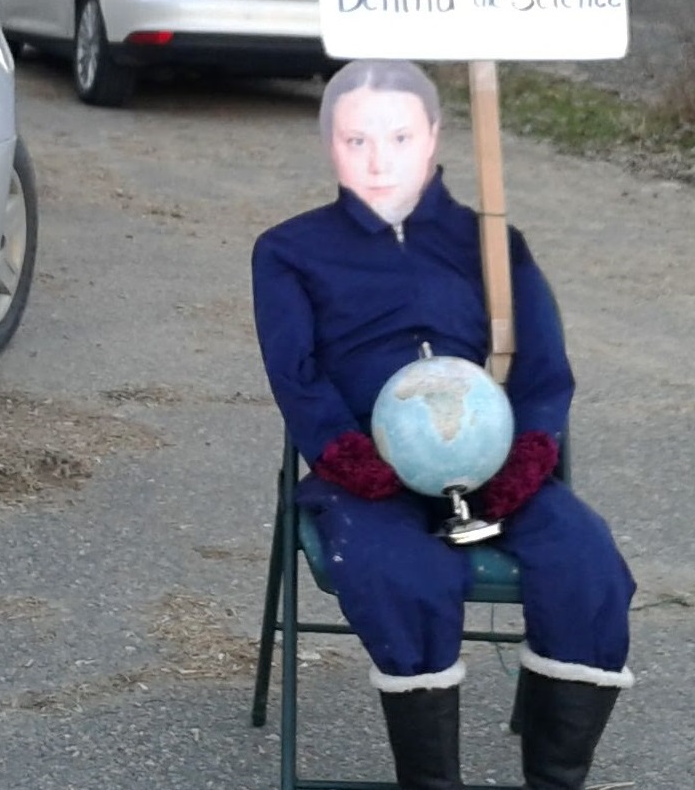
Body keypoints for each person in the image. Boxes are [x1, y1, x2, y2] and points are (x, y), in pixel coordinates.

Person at [251, 59, 635, 790]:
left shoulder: (489, 240)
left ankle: (554, 780)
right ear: (329, 142)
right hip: (364, 467)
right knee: (402, 573)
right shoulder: (289, 252)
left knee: (588, 565)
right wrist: (351, 456)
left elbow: (545, 368)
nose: (378, 157)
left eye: (399, 135)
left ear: (433, 136)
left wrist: (526, 454)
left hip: (491, 461)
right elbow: (296, 377)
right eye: (354, 138)